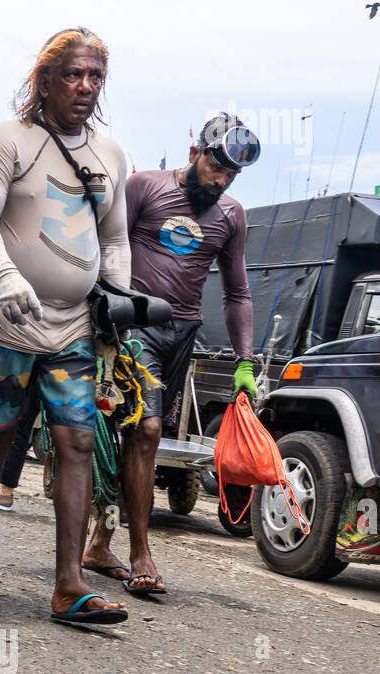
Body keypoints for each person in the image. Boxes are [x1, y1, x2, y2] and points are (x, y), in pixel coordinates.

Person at [0, 27, 130, 625]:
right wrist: (4, 275)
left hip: (74, 327)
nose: (84, 87)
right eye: (73, 75)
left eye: (95, 77)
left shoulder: (110, 155)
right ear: (45, 80)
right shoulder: (11, 139)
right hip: (8, 320)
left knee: (78, 439)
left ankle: (68, 585)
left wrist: (117, 310)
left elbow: (115, 239)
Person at [82, 112, 260, 595]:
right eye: (216, 166)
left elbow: (238, 293)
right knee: (148, 429)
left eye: (231, 174)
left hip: (183, 334)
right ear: (194, 153)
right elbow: (105, 247)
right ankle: (142, 554)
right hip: (135, 326)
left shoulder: (231, 216)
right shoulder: (144, 187)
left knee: (139, 440)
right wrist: (100, 314)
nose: (221, 180)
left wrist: (245, 360)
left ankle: (101, 542)